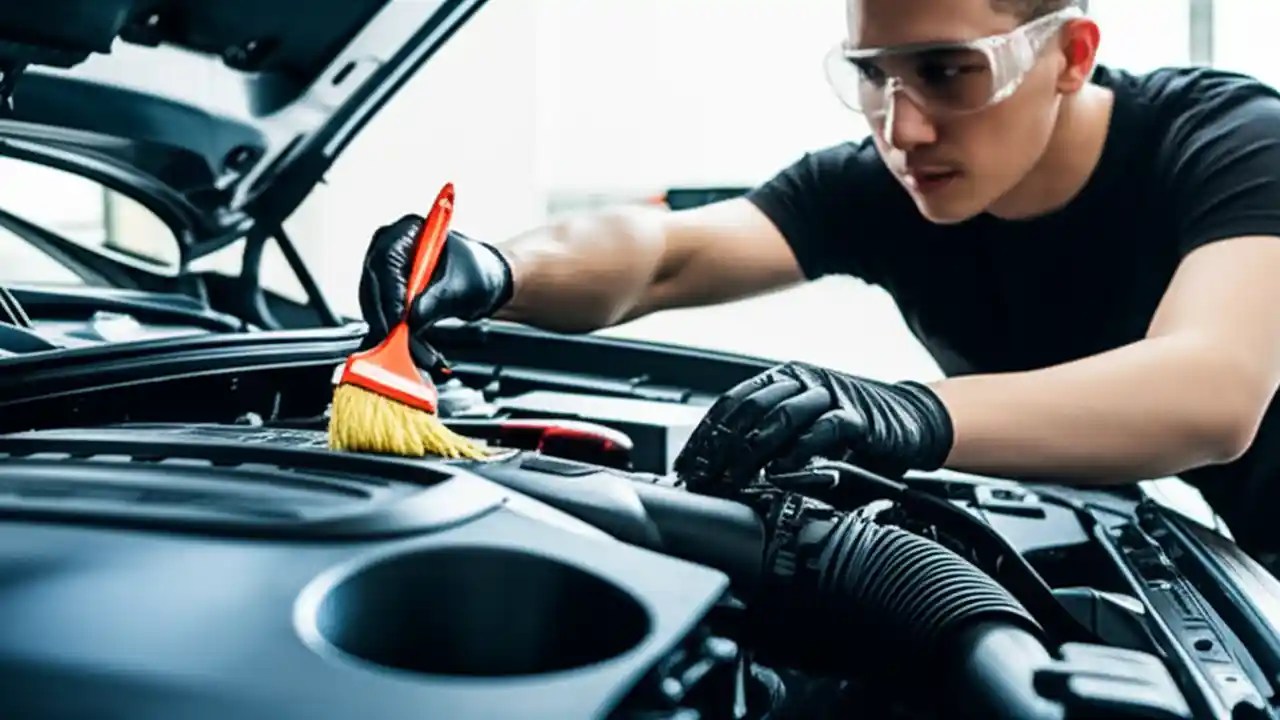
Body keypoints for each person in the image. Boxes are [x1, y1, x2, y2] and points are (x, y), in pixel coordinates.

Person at [357, 0, 1280, 561]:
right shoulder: (887, 188)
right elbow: (668, 252)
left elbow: (1212, 391)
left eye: (949, 72)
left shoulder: (1228, 142)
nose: (903, 127)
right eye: (872, 77)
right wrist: (496, 268)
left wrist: (911, 413)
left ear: (1072, 54)